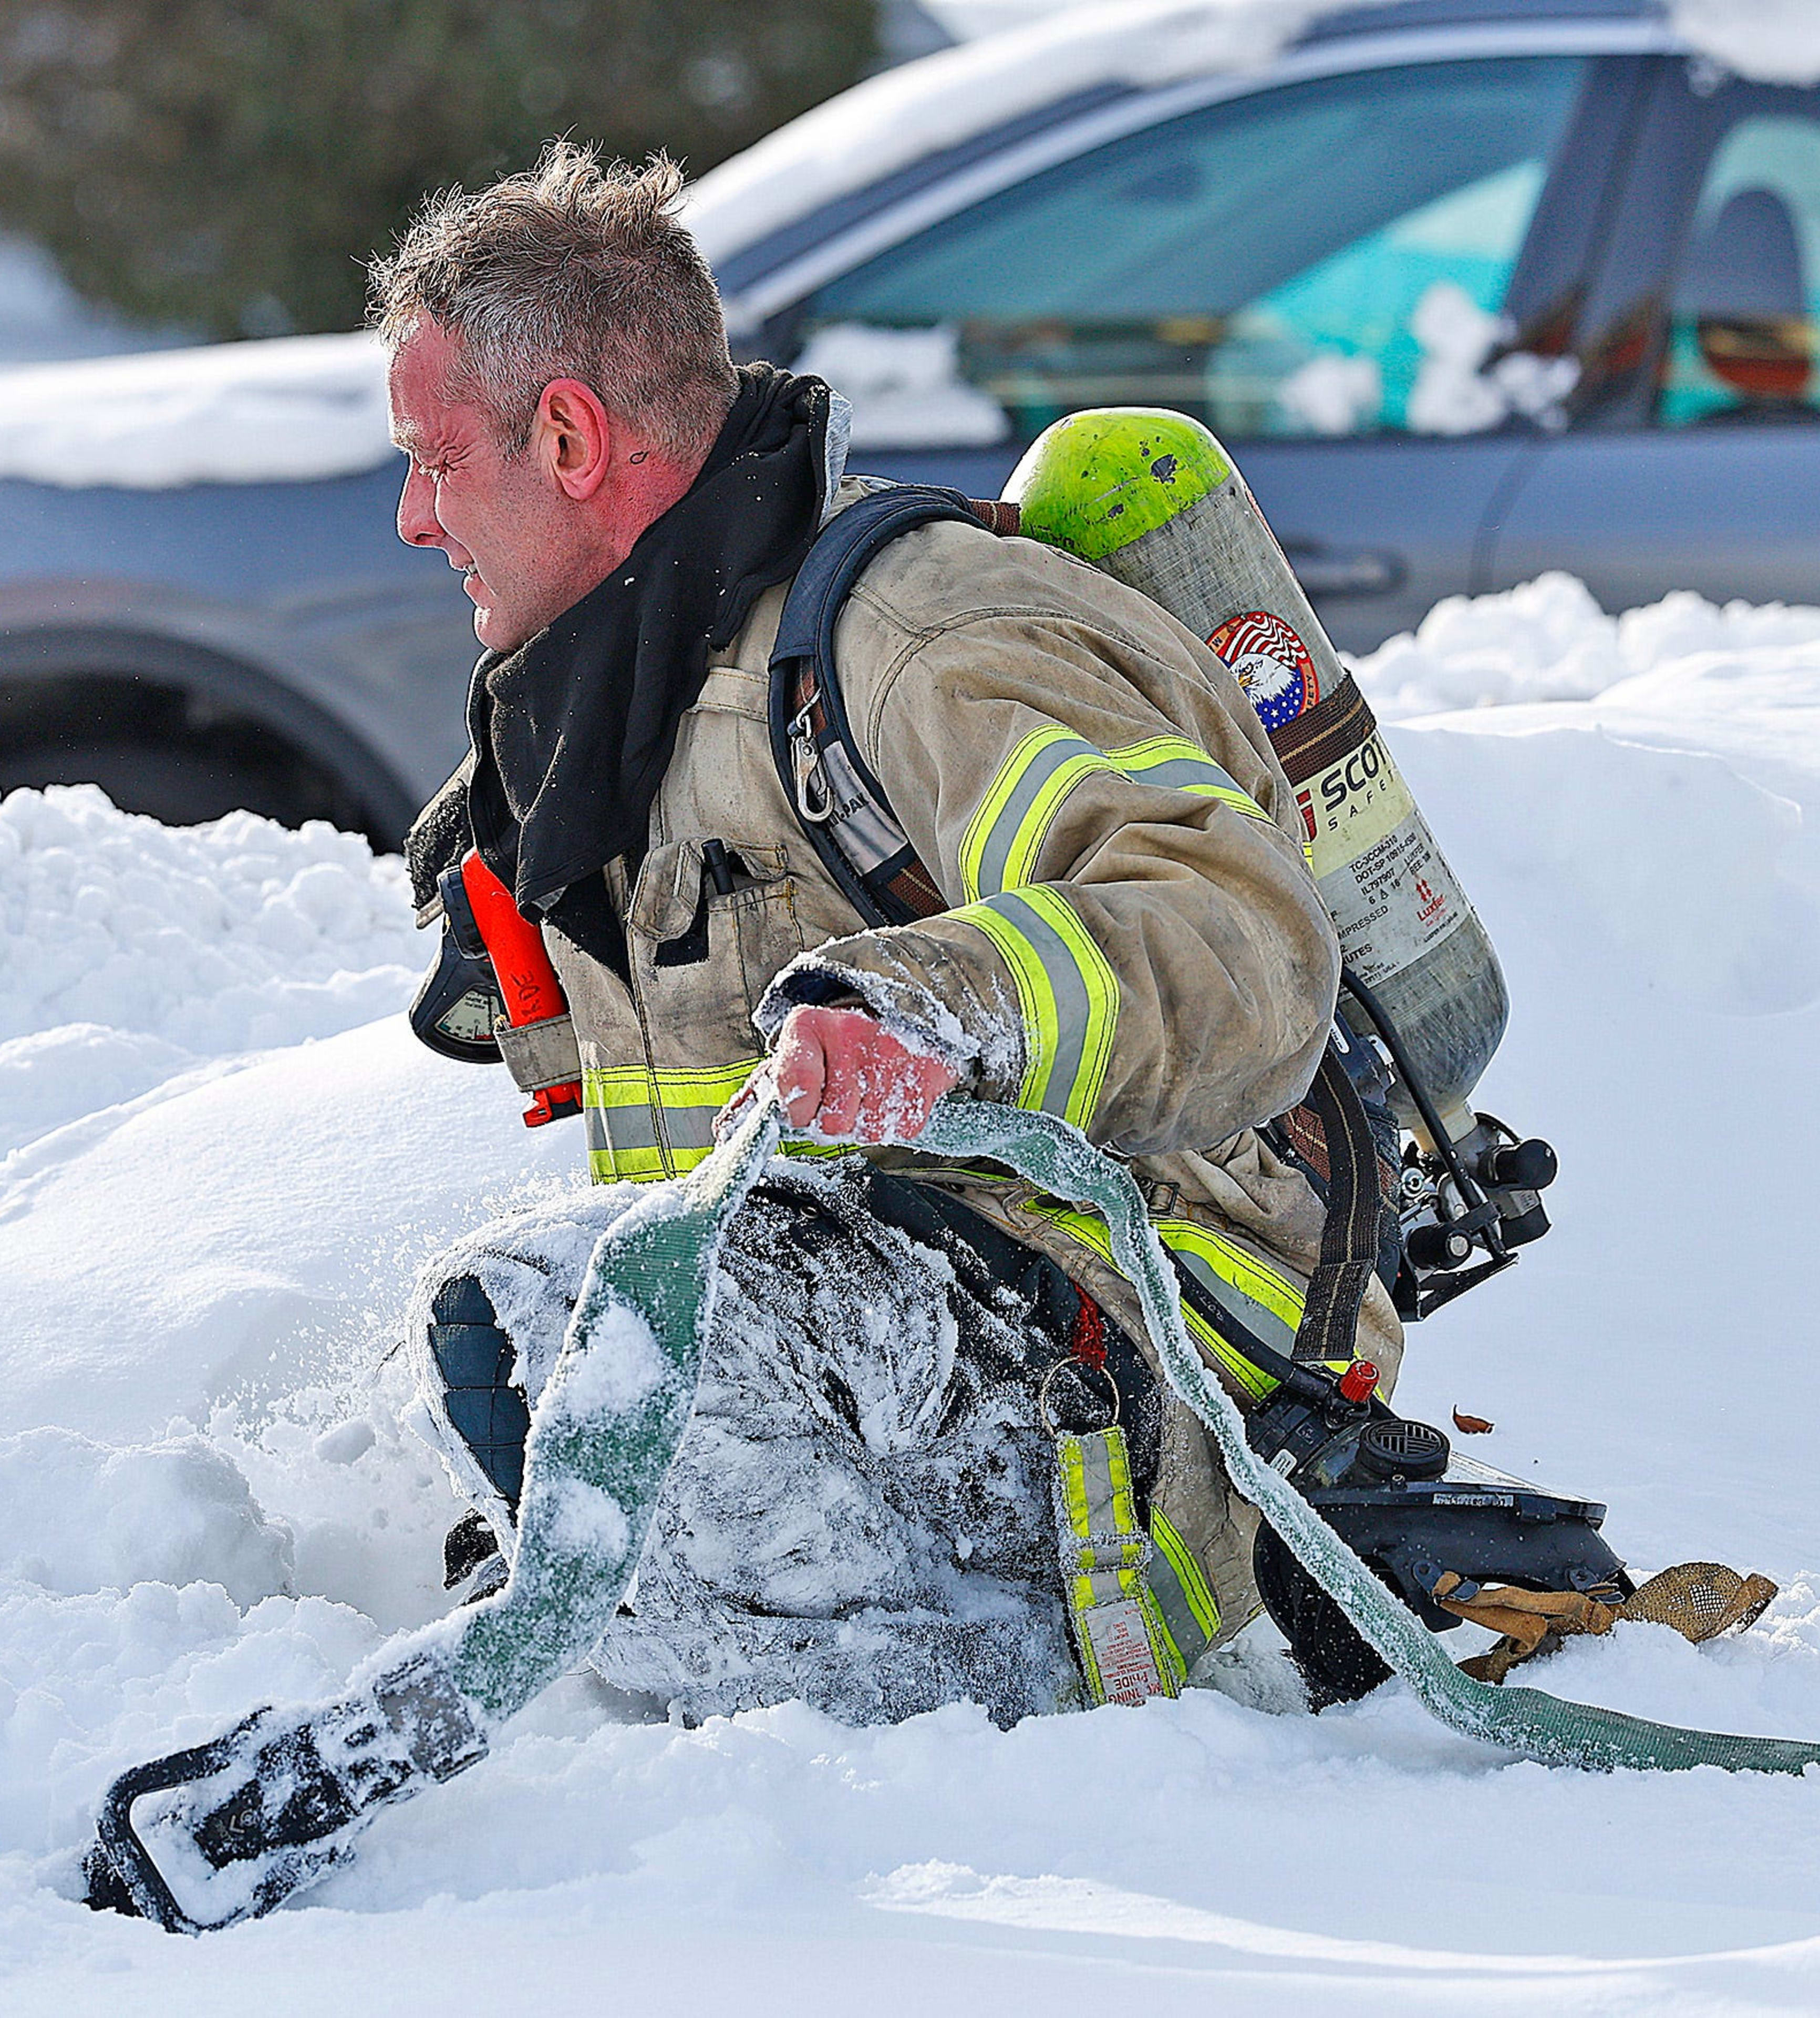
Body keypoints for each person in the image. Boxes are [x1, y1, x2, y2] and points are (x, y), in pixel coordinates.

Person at [376, 141, 1429, 1724]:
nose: (409, 517)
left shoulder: (917, 640)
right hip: (918, 1385)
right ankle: (708, 1708)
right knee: (506, 1344)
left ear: (572, 435)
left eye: (436, 460)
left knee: (568, 1310)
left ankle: (883, 1766)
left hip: (1173, 1404)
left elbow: (1243, 938)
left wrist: (932, 1007)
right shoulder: (627, 720)